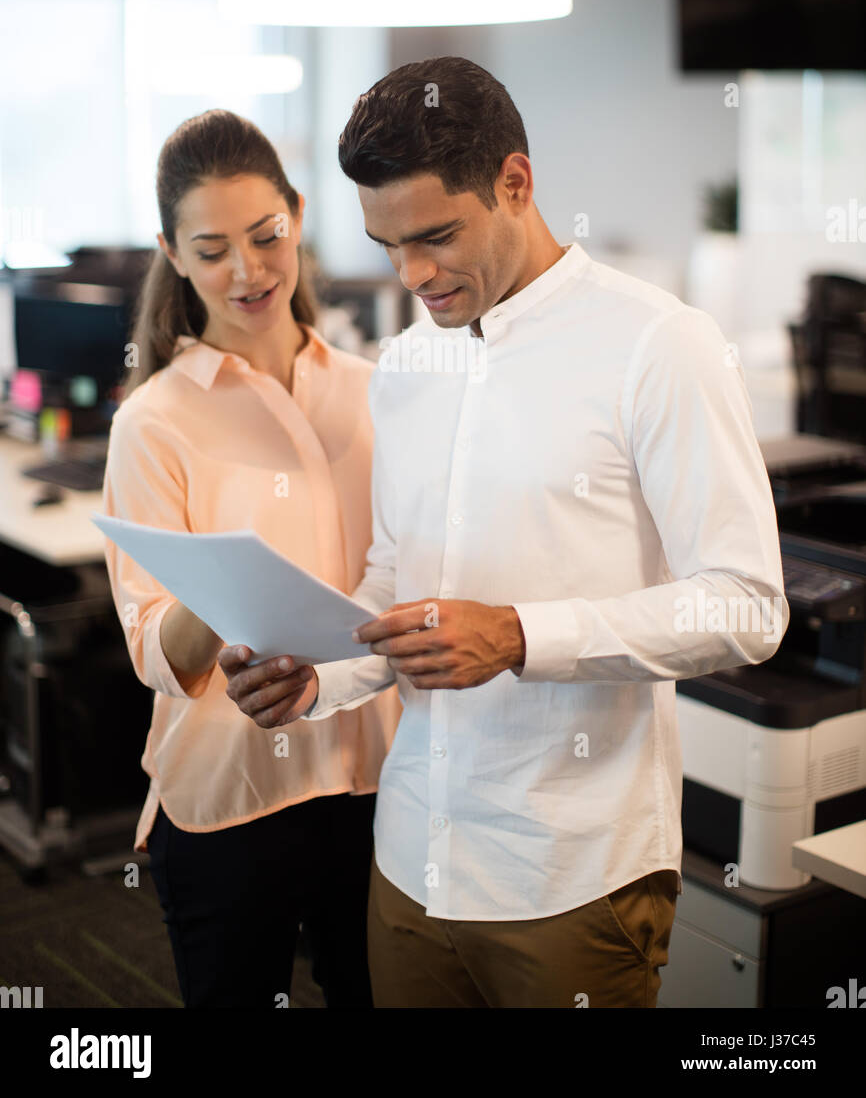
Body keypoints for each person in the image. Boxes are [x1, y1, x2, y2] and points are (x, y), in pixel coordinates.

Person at [220, 57, 789, 1009]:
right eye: (387, 244)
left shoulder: (659, 345)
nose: (413, 274)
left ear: (516, 185)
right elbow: (394, 583)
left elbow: (747, 604)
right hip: (410, 860)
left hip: (572, 877)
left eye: (436, 236)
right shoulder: (403, 365)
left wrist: (522, 635)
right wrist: (317, 675)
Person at [101, 108, 401, 1009]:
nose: (247, 271)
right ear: (173, 253)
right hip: (231, 797)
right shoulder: (153, 420)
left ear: (299, 216)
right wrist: (223, 584)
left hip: (377, 782)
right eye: (212, 248)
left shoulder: (374, 391)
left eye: (266, 236)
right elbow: (152, 647)